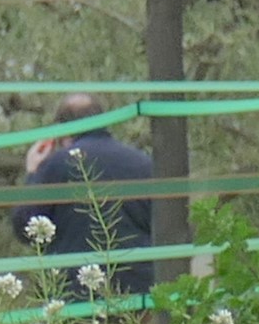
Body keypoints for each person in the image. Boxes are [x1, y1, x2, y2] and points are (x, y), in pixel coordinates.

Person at [21, 91, 157, 301]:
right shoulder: (143, 164)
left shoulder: (56, 166)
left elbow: (26, 226)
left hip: (78, 296)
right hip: (139, 294)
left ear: (62, 132)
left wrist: (33, 173)